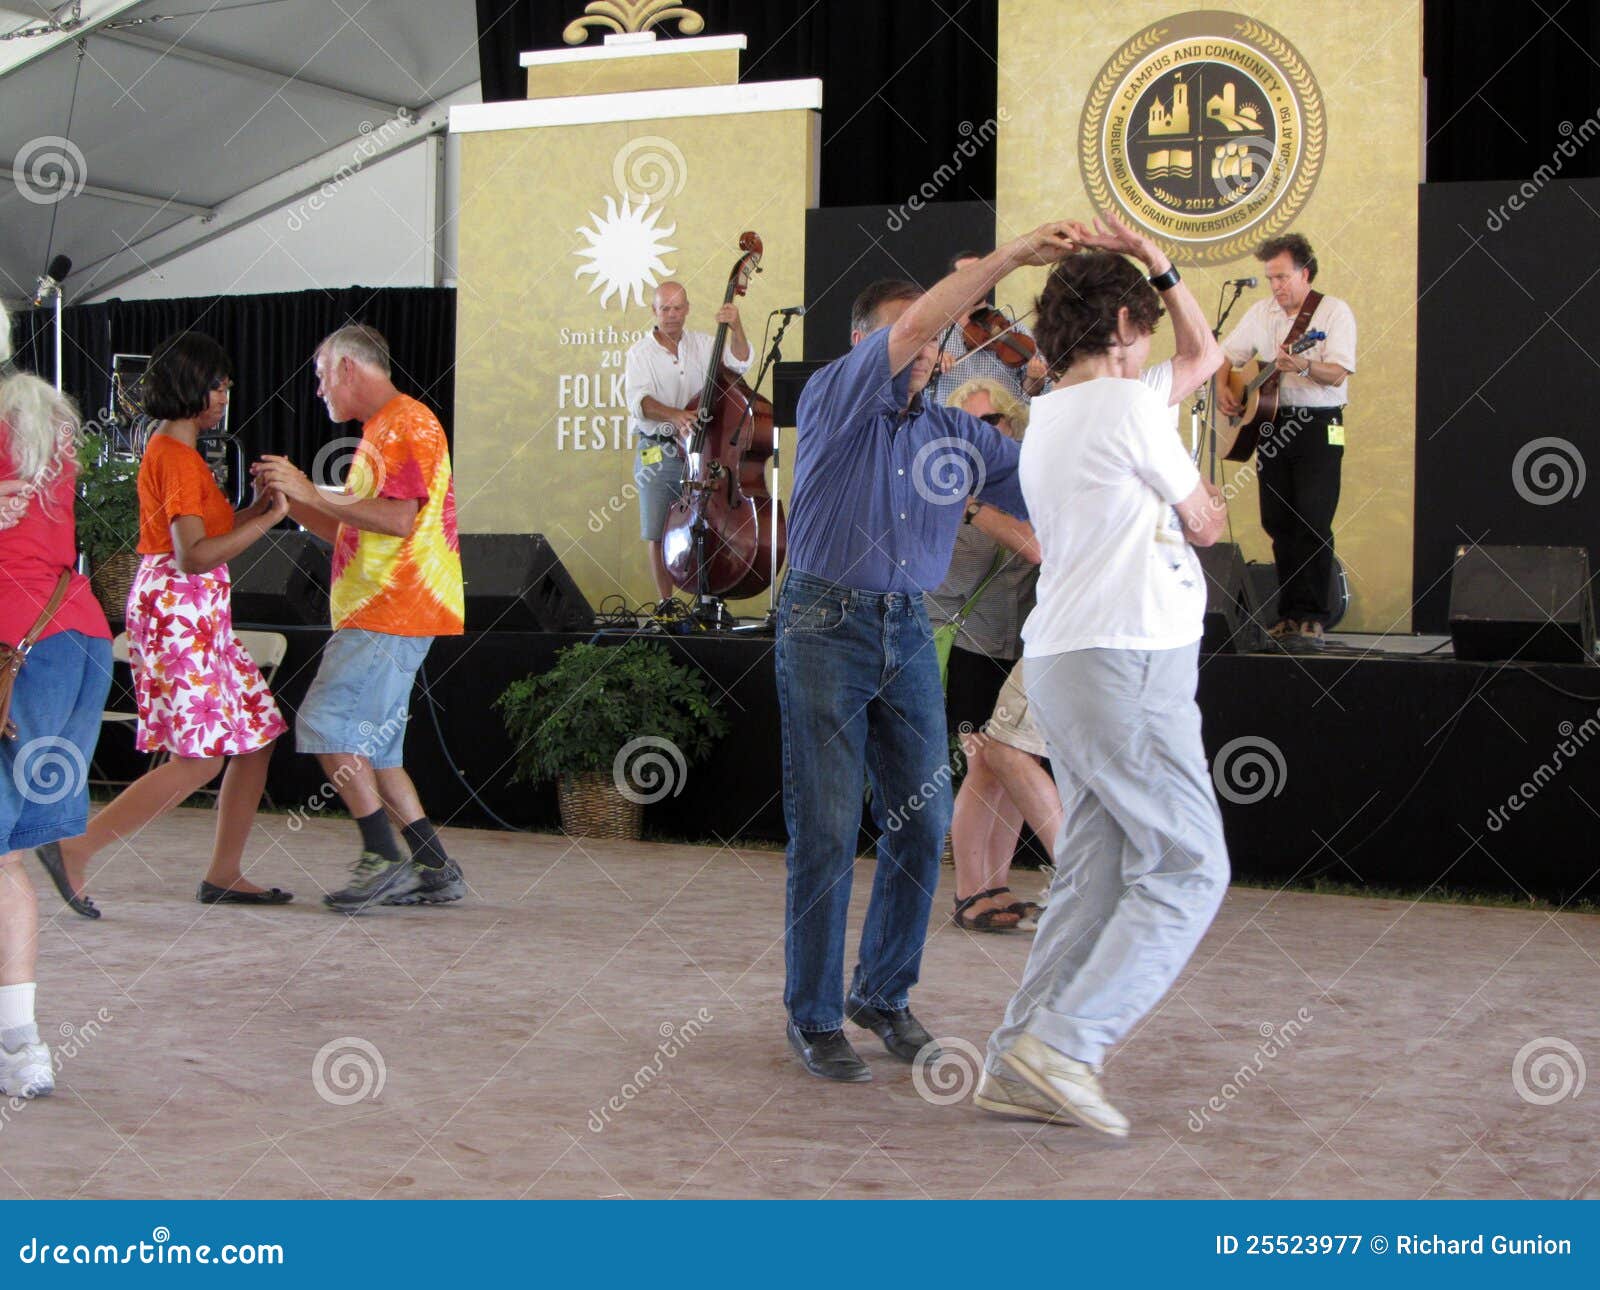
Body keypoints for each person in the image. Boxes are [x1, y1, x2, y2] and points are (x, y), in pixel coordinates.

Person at [778, 222, 1078, 1082]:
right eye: (909, 334)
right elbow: (918, 326)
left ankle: (883, 995)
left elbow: (1051, 481)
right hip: (823, 627)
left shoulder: (958, 435)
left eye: (935, 338)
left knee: (918, 829)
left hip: (906, 628)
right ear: (864, 345)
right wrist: (1012, 256)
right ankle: (814, 1015)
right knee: (830, 833)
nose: (926, 347)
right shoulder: (837, 394)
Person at [976, 213, 1230, 1136]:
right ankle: (1067, 1046)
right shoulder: (1127, 408)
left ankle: (1016, 1060)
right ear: (1122, 331)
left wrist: (1158, 266)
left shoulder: (1056, 412)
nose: (1155, 341)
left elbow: (1201, 352)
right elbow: (1203, 521)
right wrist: (1201, 503)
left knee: (1096, 872)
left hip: (1073, 662)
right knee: (1191, 866)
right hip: (1127, 664)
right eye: (1145, 323)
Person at [39, 332, 293, 916]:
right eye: (218, 384)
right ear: (192, 388)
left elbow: (205, 536)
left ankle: (224, 872)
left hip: (195, 616)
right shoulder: (175, 457)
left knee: (257, 738)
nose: (226, 394)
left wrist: (255, 508)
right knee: (199, 758)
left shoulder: (172, 450)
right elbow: (193, 556)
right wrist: (269, 521)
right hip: (182, 612)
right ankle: (75, 849)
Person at [254, 324, 466, 914]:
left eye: (322, 375)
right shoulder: (382, 430)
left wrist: (311, 492)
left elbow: (398, 520)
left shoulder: (408, 423)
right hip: (388, 611)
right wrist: (294, 502)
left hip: (391, 611)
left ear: (348, 368)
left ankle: (384, 856)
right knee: (378, 752)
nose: (318, 389)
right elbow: (356, 525)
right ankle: (432, 866)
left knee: (325, 722)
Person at [0, 303, 114, 1096]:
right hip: (73, 638)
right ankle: (22, 1047)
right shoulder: (41, 414)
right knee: (7, 858)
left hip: (14, 645)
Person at [925, 377, 1044, 933]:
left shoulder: (1028, 480)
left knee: (1018, 764)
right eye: (968, 427)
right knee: (981, 763)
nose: (981, 434)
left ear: (1011, 425)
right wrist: (977, 511)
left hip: (1021, 645)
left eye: (989, 422)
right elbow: (1028, 551)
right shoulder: (952, 493)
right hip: (971, 643)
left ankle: (996, 883)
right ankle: (971, 890)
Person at [1214, 234, 1356, 650]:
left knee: (1312, 518)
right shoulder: (1261, 312)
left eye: (1282, 276)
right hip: (1272, 423)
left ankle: (1313, 616)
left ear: (1305, 272)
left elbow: (1341, 372)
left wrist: (1305, 365)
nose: (1275, 285)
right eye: (1270, 277)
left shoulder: (1333, 312)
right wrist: (1225, 386)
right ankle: (1288, 615)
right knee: (1277, 521)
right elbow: (1225, 356)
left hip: (1318, 426)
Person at [623, 281, 751, 606]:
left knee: (707, 525)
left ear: (687, 309)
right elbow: (641, 402)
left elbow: (739, 363)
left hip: (702, 450)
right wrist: (675, 415)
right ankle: (667, 605)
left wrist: (736, 327)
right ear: (654, 311)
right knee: (657, 528)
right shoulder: (639, 354)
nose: (671, 315)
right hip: (659, 449)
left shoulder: (704, 345)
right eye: (665, 308)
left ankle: (707, 604)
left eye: (678, 308)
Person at [930, 250, 1050, 405]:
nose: (976, 282)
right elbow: (910, 383)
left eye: (981, 275)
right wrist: (930, 360)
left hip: (1000, 425)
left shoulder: (1015, 329)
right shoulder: (935, 331)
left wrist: (1034, 379)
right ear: (953, 282)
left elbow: (1034, 393)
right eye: (967, 276)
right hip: (949, 425)